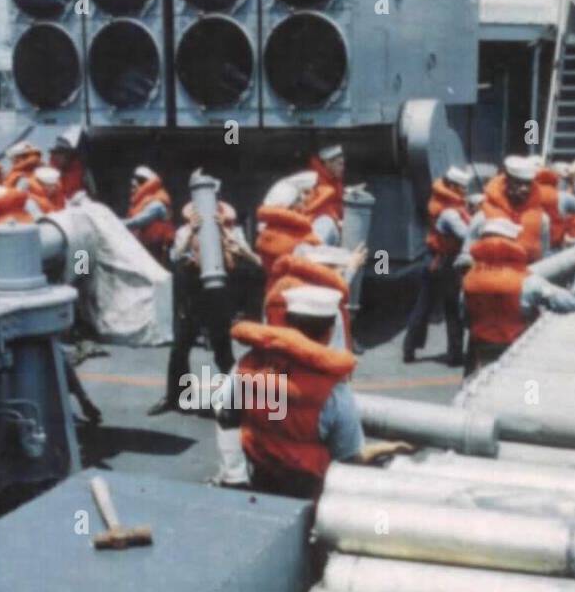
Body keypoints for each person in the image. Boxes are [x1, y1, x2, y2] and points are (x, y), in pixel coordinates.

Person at [221, 285, 395, 499]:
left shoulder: (246, 364)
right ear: (330, 331)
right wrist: (382, 450)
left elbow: (226, 417)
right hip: (308, 492)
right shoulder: (334, 392)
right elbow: (349, 457)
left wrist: (235, 476)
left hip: (258, 479)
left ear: (287, 322)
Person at [148, 173, 246, 416]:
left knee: (223, 349)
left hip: (217, 296)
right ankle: (176, 396)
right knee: (180, 347)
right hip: (190, 294)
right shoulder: (184, 230)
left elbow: (244, 257)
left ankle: (235, 401)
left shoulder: (233, 230)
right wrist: (192, 232)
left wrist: (225, 237)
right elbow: (175, 256)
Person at [462, 219, 575, 374]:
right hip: (516, 355)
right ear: (512, 243)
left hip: (480, 354)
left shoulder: (469, 279)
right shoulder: (529, 283)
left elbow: (465, 318)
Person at [403, 165, 472, 366]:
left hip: (433, 260)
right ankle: (455, 354)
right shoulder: (449, 213)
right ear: (452, 186)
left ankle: (409, 348)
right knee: (452, 309)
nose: (465, 192)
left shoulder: (440, 202)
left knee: (423, 306)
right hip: (445, 263)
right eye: (462, 188)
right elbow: (466, 234)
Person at [125, 165, 175, 266]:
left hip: (159, 251)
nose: (134, 183)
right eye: (134, 179)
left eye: (140, 180)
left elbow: (139, 221)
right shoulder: (136, 206)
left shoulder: (158, 202)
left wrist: (113, 222)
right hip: (143, 251)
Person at [301, 144, 345, 245]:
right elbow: (313, 209)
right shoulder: (313, 180)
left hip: (336, 225)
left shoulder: (335, 179)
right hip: (319, 226)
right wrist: (336, 220)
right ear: (328, 163)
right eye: (339, 164)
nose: (342, 168)